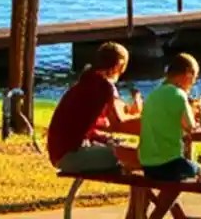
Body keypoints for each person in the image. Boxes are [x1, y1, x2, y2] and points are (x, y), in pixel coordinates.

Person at [46, 42, 143, 173]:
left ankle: (147, 186)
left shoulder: (88, 80)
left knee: (129, 152)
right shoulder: (104, 86)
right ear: (119, 66)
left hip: (61, 153)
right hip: (71, 155)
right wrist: (145, 123)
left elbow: (106, 120)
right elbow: (118, 124)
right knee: (137, 156)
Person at [138, 53, 201, 182]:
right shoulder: (178, 95)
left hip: (147, 164)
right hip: (169, 164)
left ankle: (163, 199)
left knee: (178, 180)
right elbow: (192, 128)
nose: (194, 82)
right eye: (195, 77)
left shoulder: (153, 94)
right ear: (188, 73)